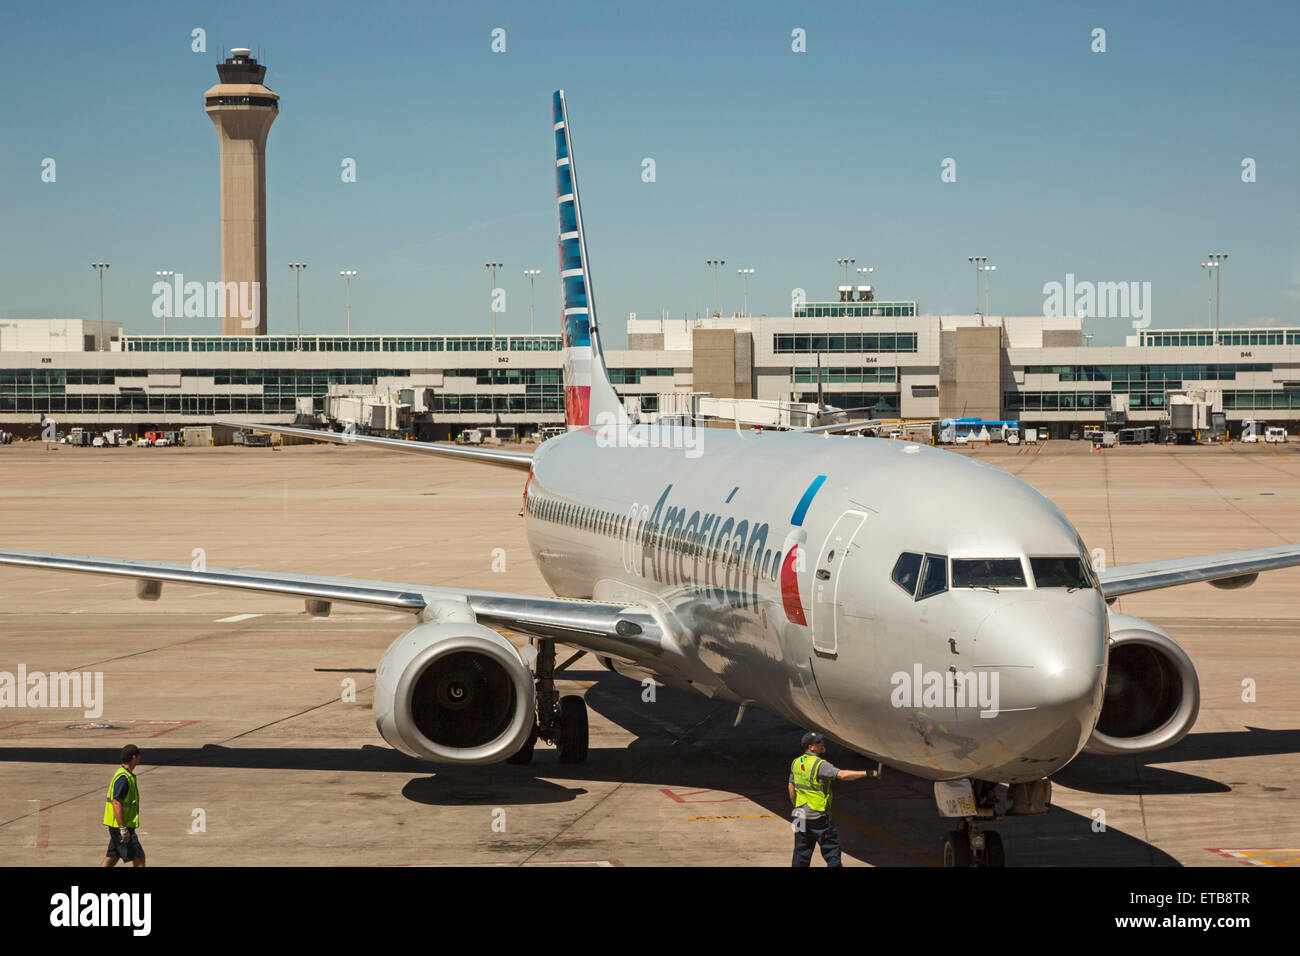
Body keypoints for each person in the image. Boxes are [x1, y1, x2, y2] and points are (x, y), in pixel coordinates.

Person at [789, 732, 871, 867]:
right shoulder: (820, 765)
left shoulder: (796, 762)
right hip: (818, 815)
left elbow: (791, 787)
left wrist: (796, 807)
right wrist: (866, 773)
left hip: (800, 814)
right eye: (819, 742)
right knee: (832, 851)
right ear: (811, 747)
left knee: (801, 852)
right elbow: (843, 775)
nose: (822, 743)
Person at [102, 744, 145, 867]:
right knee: (139, 859)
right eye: (139, 756)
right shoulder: (124, 778)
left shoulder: (124, 774)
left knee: (112, 857)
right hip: (121, 826)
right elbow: (116, 802)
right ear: (134, 757)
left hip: (117, 825)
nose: (140, 759)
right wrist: (123, 828)